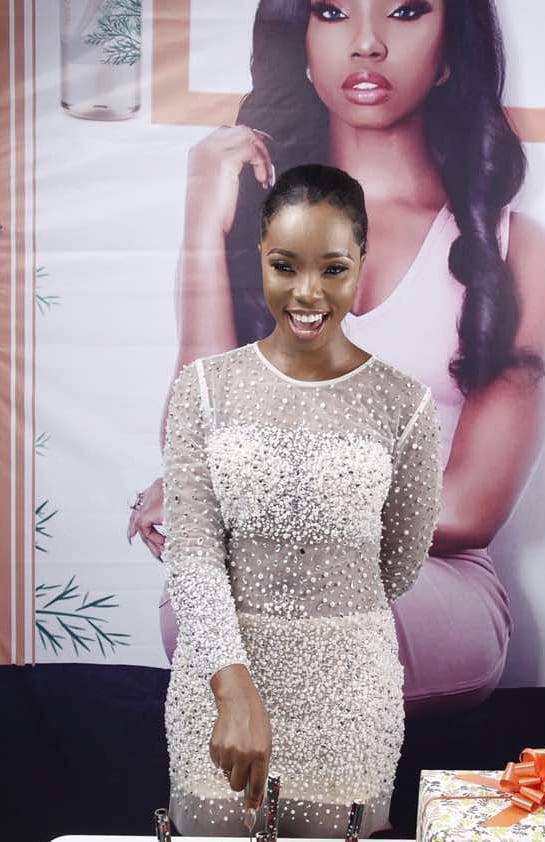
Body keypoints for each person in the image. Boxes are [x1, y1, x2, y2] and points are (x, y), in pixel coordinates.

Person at [128, 0, 545, 719]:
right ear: (298, 43)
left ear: (449, 49)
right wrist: (202, 223)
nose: (366, 43)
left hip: (430, 587)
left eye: (405, 11)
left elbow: (467, 509)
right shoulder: (254, 235)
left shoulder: (515, 250)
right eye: (332, 12)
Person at [161, 163, 443, 837]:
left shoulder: (405, 404)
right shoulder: (204, 389)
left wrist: (326, 618)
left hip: (349, 704)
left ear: (362, 262)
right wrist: (232, 683)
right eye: (285, 266)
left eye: (333, 269)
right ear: (260, 255)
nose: (307, 292)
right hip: (219, 692)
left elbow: (398, 565)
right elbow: (192, 552)